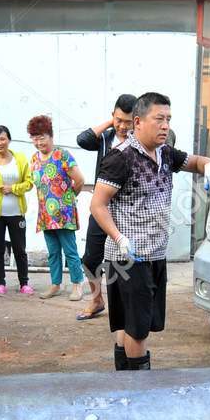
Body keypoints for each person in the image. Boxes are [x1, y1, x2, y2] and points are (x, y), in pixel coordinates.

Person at [91, 91, 210, 370]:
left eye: (168, 119)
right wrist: (119, 238)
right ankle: (140, 387)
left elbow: (196, 162)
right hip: (128, 257)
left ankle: (123, 379)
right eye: (159, 119)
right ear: (138, 121)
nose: (165, 125)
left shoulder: (165, 154)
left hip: (154, 253)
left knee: (130, 323)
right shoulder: (121, 158)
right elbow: (98, 205)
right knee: (138, 330)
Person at [75, 94, 136, 320]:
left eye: (127, 122)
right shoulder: (105, 138)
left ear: (136, 121)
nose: (122, 126)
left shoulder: (140, 142)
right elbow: (83, 139)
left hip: (130, 212)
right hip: (102, 209)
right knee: (90, 259)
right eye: (118, 119)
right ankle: (97, 299)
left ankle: (128, 307)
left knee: (126, 261)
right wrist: (111, 124)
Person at [26, 114, 86, 299]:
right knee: (52, 252)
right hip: (46, 215)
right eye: (35, 138)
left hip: (64, 213)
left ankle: (77, 284)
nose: (39, 142)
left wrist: (68, 199)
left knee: (70, 251)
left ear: (51, 136)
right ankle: (55, 284)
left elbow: (80, 180)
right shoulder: (34, 159)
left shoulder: (62, 155)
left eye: (42, 137)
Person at [0, 125, 33, 295]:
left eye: (2, 138)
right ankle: (0, 282)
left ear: (9, 139)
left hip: (17, 212)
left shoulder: (21, 159)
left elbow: (29, 183)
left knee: (19, 249)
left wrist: (13, 188)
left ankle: (24, 283)